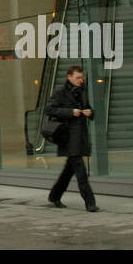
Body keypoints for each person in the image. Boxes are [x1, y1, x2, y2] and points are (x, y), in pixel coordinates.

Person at [44, 65, 99, 212]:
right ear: (69, 77)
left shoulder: (82, 91)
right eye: (78, 78)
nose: (81, 80)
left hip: (80, 135)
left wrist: (90, 112)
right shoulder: (60, 92)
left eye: (82, 77)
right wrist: (70, 112)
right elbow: (49, 109)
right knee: (80, 171)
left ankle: (54, 196)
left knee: (69, 171)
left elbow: (88, 108)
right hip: (67, 136)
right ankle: (90, 202)